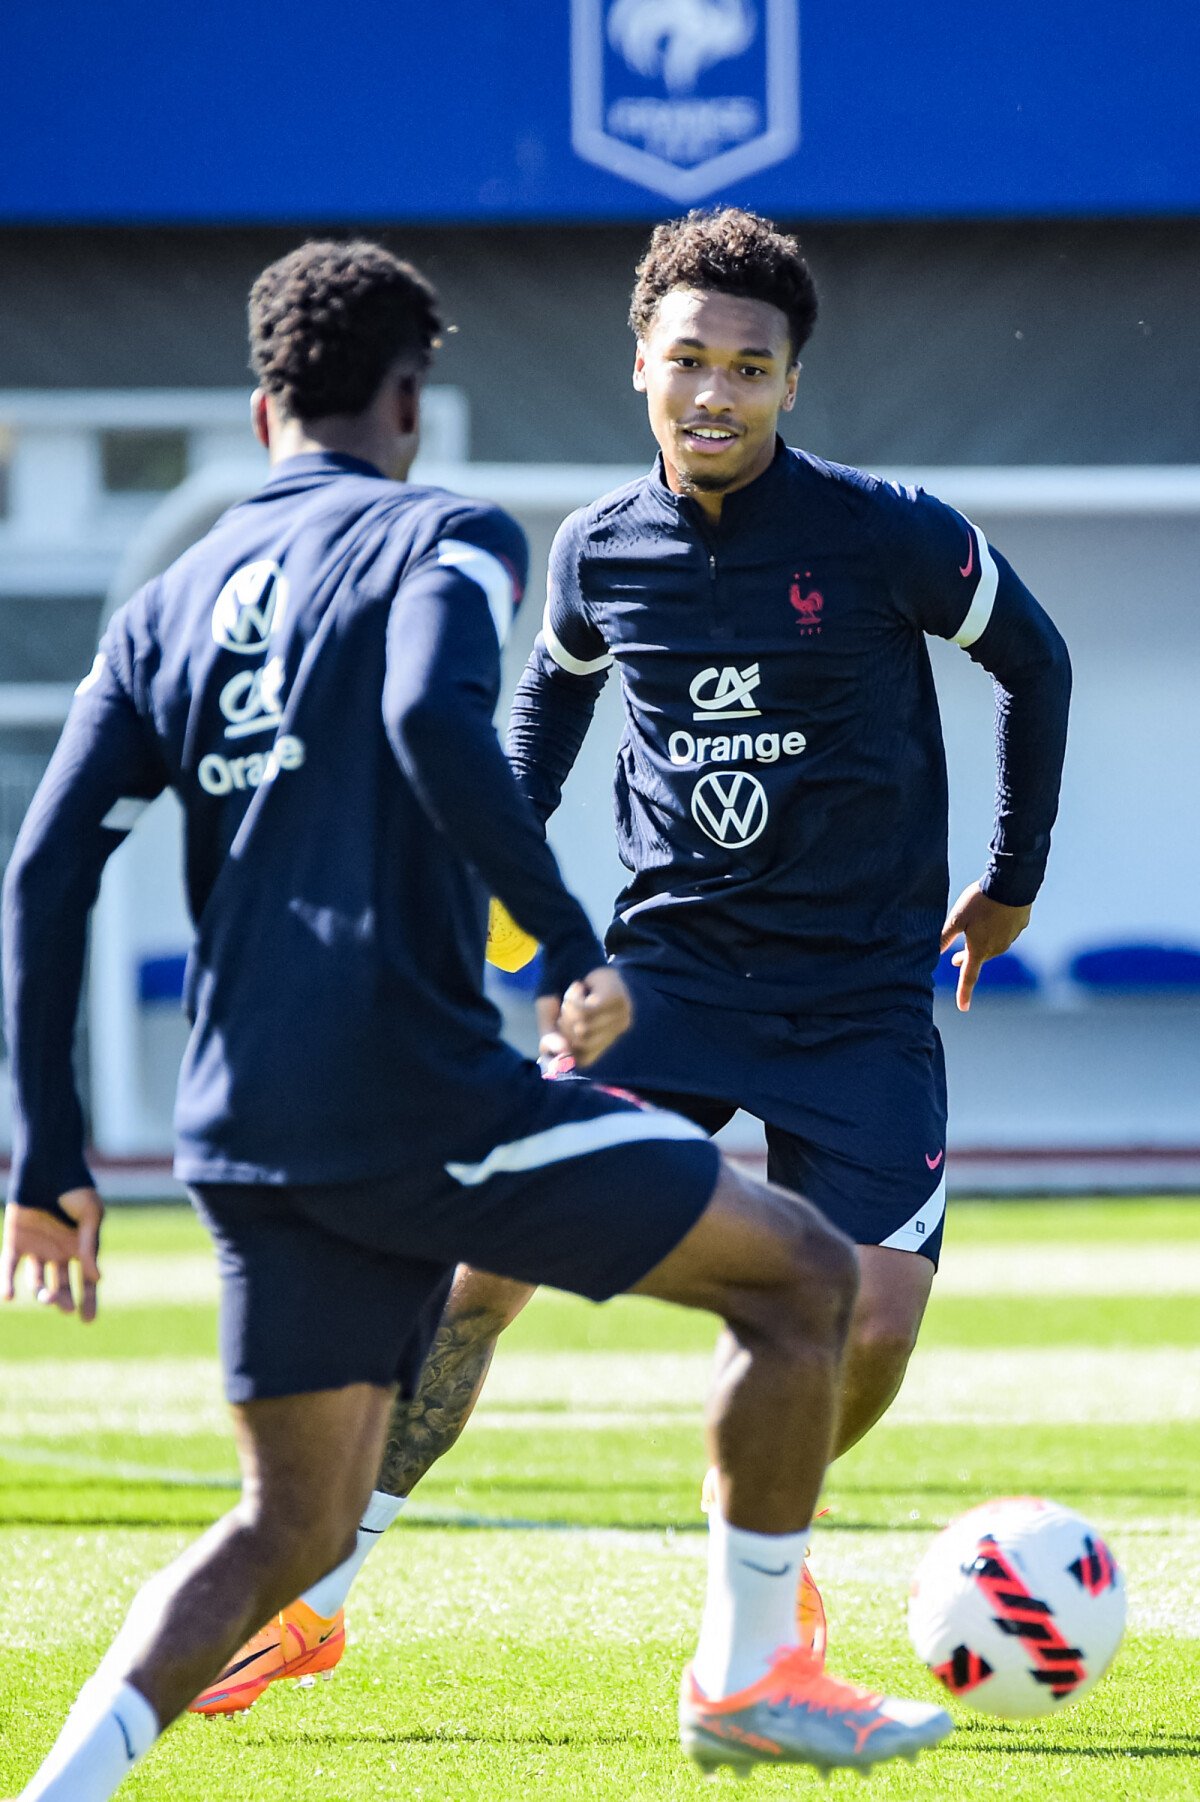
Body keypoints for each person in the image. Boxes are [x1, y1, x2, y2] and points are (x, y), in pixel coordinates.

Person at [0, 238, 951, 1799]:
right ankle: (748, 1666)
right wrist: (571, 942)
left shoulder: (164, 603)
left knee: (278, 1522)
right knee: (798, 1283)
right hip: (422, 1095)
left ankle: (62, 1783)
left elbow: (42, 871)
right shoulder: (448, 535)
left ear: (258, 417)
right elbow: (430, 718)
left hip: (233, 1127)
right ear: (410, 402)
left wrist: (44, 1154)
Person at [197, 205, 1071, 1705]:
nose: (715, 392)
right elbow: (538, 724)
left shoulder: (888, 534)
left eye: (750, 366)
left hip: (862, 1000)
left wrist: (1010, 885)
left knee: (867, 1323)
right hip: (665, 978)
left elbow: (1032, 659)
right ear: (641, 369)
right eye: (688, 362)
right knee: (477, 1269)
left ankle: (756, 1564)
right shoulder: (599, 551)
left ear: (795, 383)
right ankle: (321, 1587)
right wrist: (494, 894)